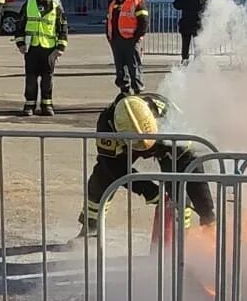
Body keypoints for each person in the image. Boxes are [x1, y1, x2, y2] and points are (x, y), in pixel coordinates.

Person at [76, 92, 215, 238]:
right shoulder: (107, 124)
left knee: (176, 187)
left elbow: (192, 167)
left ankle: (178, 240)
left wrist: (208, 214)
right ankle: (90, 228)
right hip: (127, 145)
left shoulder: (171, 120)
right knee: (101, 178)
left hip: (162, 142)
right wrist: (149, 190)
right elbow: (113, 167)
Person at [14, 0, 68, 116]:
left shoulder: (56, 7)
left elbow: (63, 28)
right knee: (31, 78)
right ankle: (29, 105)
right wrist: (20, 44)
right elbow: (19, 25)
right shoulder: (29, 4)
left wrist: (61, 48)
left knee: (47, 79)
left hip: (49, 49)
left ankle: (47, 105)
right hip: (31, 48)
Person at [106, 0, 148, 95]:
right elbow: (109, 20)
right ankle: (124, 91)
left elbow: (144, 21)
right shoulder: (113, 4)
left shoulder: (137, 1)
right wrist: (109, 36)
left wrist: (138, 36)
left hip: (131, 40)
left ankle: (137, 91)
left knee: (134, 66)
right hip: (116, 40)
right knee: (120, 67)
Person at [172, 0, 209, 64]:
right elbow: (176, 5)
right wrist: (183, 4)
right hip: (186, 23)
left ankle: (197, 62)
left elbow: (209, 7)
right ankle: (185, 60)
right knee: (185, 45)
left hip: (199, 24)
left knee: (198, 45)